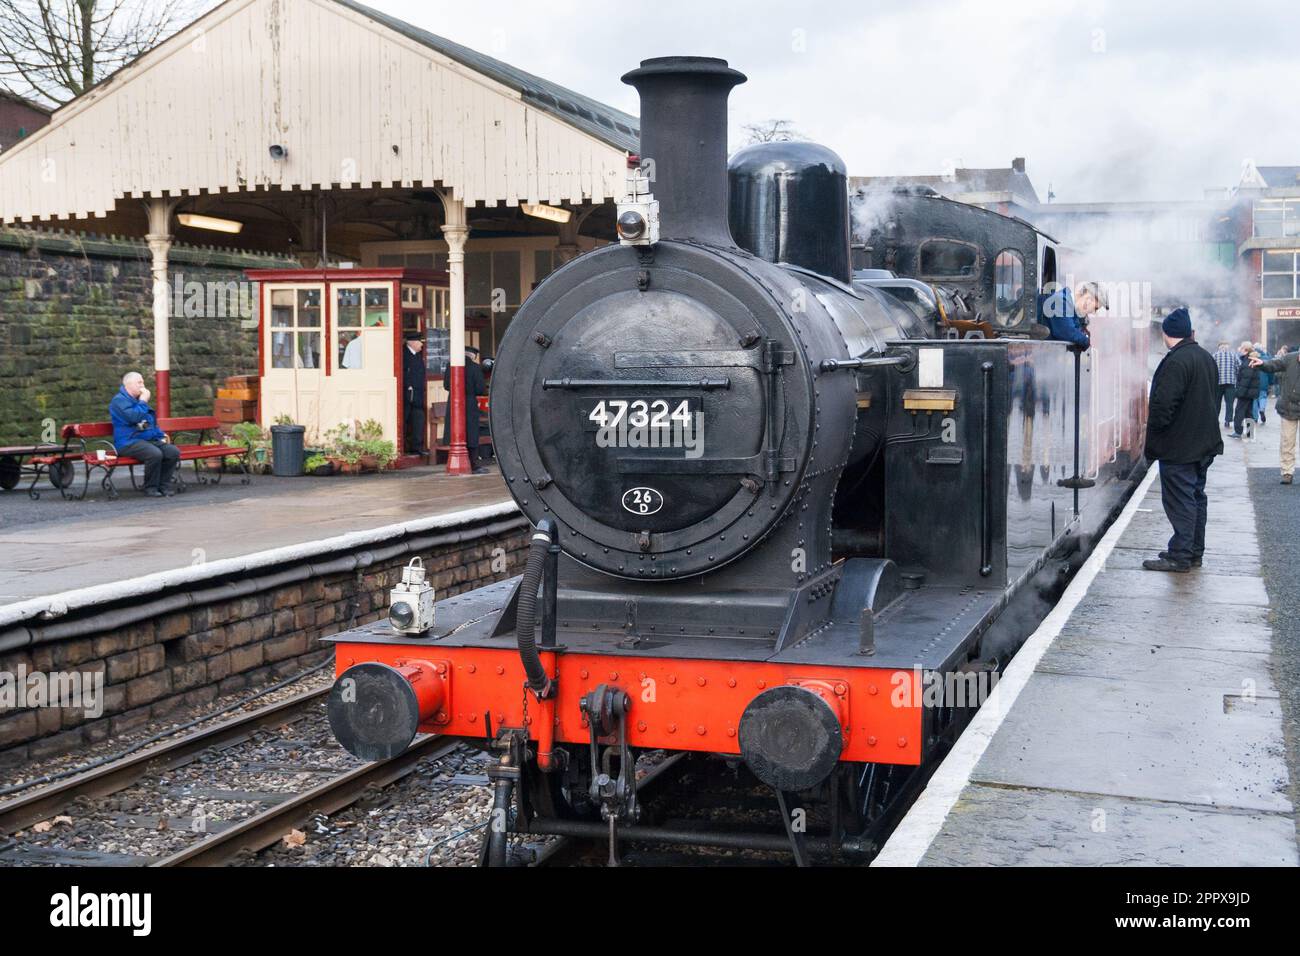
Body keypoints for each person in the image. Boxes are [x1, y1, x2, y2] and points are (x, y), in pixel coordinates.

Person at [1142, 308, 1223, 572]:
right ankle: (1193, 551)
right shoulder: (1205, 357)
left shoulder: (1176, 361)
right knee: (1197, 497)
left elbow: (1163, 406)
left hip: (1180, 445)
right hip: (1204, 442)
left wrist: (1157, 436)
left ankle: (1180, 556)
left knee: (1181, 500)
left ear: (1166, 333)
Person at [110, 371, 179, 498]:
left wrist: (160, 435)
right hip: (127, 442)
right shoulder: (119, 401)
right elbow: (134, 417)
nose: (143, 385)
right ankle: (150, 488)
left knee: (172, 451)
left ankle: (163, 486)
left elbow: (149, 423)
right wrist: (143, 402)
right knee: (154, 453)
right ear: (128, 385)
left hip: (145, 440)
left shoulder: (138, 401)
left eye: (142, 382)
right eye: (139, 382)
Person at [1250, 345, 1300, 485]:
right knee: (1287, 442)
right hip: (1288, 407)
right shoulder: (1290, 358)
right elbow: (1274, 364)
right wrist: (1262, 363)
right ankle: (1287, 472)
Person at [442, 345, 489, 474]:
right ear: (473, 356)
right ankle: (473, 464)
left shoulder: (449, 366)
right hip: (469, 403)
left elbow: (446, 385)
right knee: (471, 432)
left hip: (453, 401)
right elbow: (480, 389)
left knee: (456, 430)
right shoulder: (475, 368)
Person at [1037, 281, 1106, 347]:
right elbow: (1067, 332)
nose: (1093, 312)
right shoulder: (1060, 301)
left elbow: (1079, 332)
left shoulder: (1073, 313)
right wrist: (1086, 341)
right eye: (1095, 308)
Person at [401, 331, 428, 456]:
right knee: (404, 420)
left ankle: (417, 447)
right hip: (406, 394)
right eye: (419, 342)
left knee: (418, 419)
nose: (421, 345)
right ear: (411, 342)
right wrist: (409, 386)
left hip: (418, 394)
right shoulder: (403, 354)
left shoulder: (418, 355)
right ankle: (403, 447)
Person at [1231, 347, 1261, 439]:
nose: (1239, 350)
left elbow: (1246, 379)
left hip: (1245, 392)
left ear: (1246, 350)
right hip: (1250, 392)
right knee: (1248, 412)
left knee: (1239, 411)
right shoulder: (1251, 360)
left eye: (1242, 348)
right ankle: (1249, 432)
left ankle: (1238, 431)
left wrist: (1239, 392)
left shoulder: (1248, 362)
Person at [1212, 340, 1237, 428]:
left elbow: (1211, 369)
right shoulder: (1233, 356)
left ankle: (1215, 419)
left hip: (1218, 383)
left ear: (1219, 347)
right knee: (1229, 403)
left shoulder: (1214, 356)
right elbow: (1238, 367)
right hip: (1230, 383)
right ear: (1228, 346)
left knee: (1216, 402)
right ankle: (1227, 421)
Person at [1252, 343, 1272, 425]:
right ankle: (1262, 409)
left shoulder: (1252, 358)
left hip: (1253, 382)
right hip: (1264, 381)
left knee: (1254, 400)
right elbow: (1271, 372)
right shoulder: (1267, 358)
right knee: (1263, 396)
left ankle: (1255, 418)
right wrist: (1271, 382)